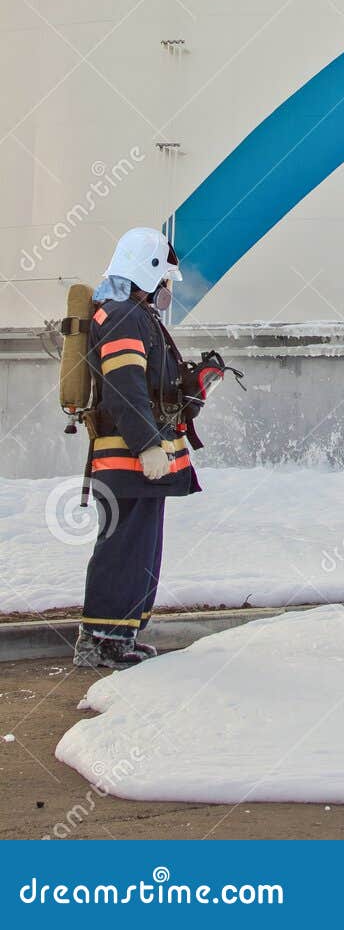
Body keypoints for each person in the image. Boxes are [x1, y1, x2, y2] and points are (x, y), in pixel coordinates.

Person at [73, 228, 201, 670]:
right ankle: (101, 640)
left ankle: (121, 633)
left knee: (140, 543)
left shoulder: (134, 314)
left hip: (141, 456)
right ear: (147, 271)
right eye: (165, 279)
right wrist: (148, 446)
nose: (167, 289)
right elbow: (123, 387)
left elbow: (150, 384)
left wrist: (194, 385)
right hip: (128, 455)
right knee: (124, 544)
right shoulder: (123, 315)